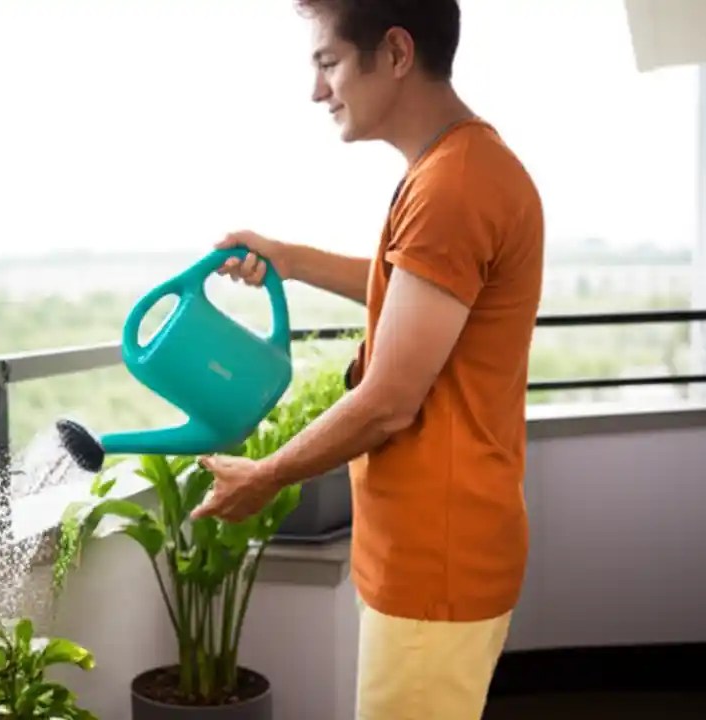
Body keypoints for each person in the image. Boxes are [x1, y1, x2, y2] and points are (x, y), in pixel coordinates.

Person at [189, 1, 545, 718]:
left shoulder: (454, 184)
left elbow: (389, 400)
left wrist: (267, 476)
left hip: (434, 557)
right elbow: (418, 286)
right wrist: (291, 262)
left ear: (397, 52)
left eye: (328, 63)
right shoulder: (458, 166)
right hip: (434, 550)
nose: (318, 90)